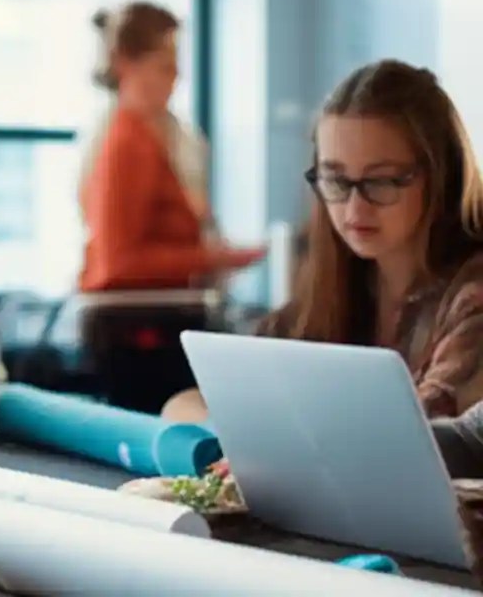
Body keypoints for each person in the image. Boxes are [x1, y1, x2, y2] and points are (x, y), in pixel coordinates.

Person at [165, 60, 483, 423]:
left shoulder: (472, 297)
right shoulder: (337, 286)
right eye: (335, 181)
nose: (354, 207)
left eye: (380, 181)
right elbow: (190, 401)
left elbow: (424, 433)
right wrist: (226, 429)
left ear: (441, 177)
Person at [79, 1, 264, 291]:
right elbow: (119, 261)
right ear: (125, 65)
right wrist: (216, 258)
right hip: (132, 318)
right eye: (165, 67)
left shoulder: (160, 137)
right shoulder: (127, 144)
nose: (176, 77)